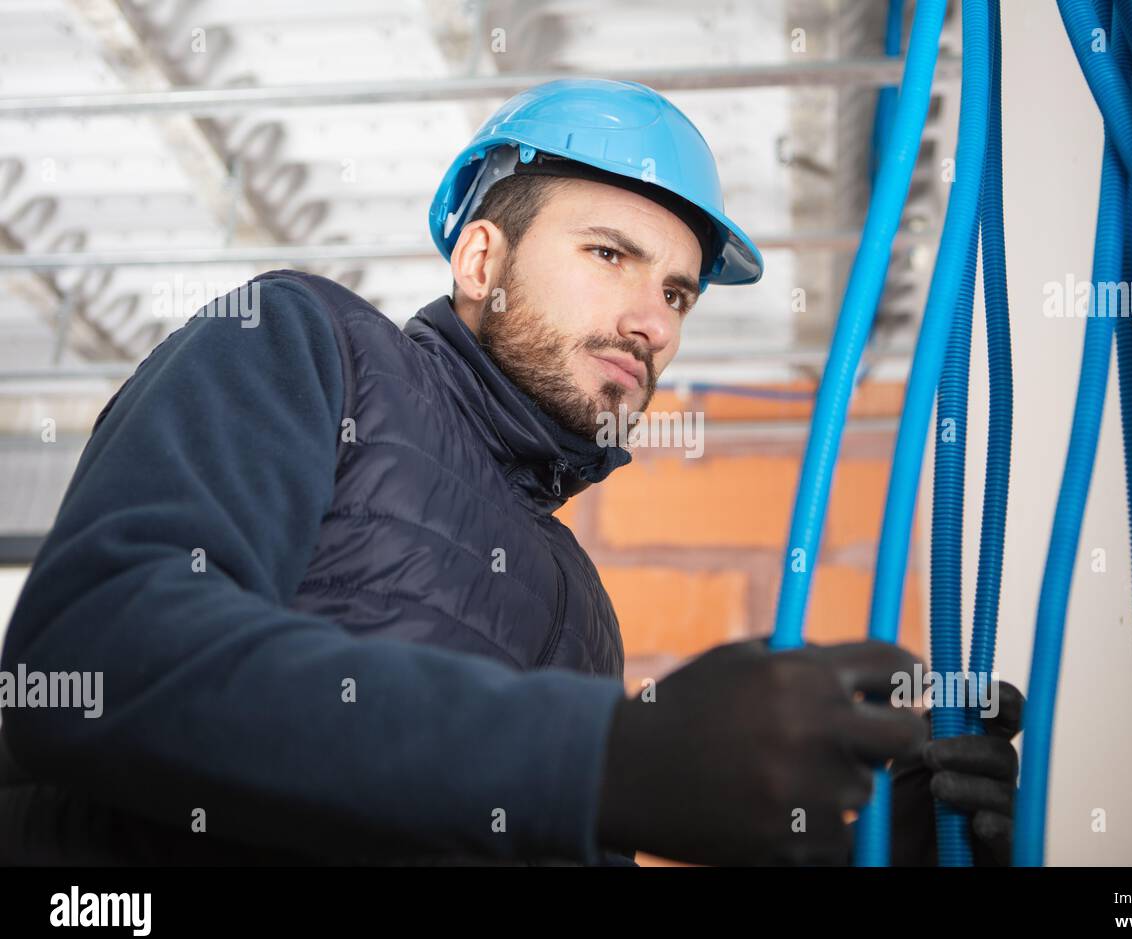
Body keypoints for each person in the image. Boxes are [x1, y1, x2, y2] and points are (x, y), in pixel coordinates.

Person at [0, 78, 1021, 866]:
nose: (651, 319)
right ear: (480, 261)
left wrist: (856, 840)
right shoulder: (305, 343)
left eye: (676, 290)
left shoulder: (583, 606)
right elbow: (98, 660)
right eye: (610, 254)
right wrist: (604, 754)